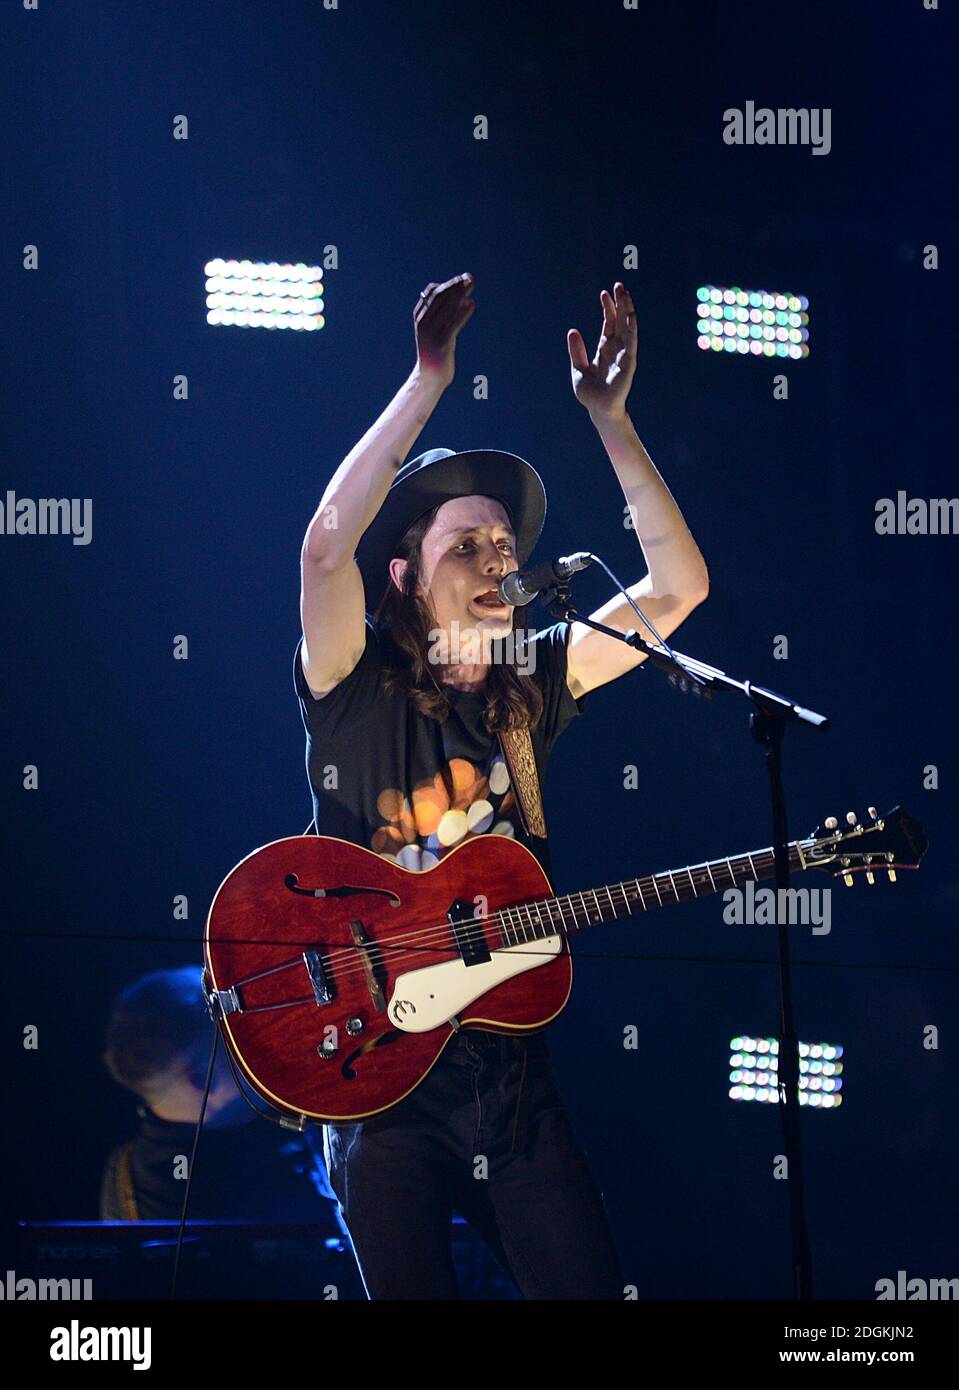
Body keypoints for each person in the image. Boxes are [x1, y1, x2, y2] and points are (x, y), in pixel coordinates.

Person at [294, 272, 709, 1299]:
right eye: (463, 544)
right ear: (405, 572)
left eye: (502, 543)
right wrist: (426, 378)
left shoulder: (538, 678)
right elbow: (322, 545)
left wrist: (612, 423)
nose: (493, 556)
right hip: (377, 1078)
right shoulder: (350, 678)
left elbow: (679, 590)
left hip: (510, 1077)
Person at [100, 965, 341, 1227]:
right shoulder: (157, 1204)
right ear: (202, 1080)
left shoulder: (127, 1179)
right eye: (239, 1038)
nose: (268, 1038)